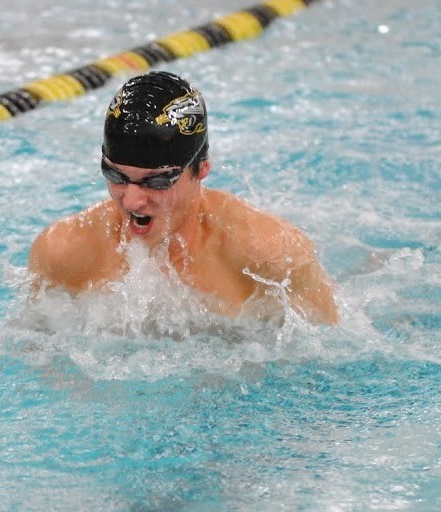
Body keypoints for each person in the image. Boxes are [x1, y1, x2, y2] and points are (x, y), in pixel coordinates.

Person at [27, 71, 338, 325]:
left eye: (157, 181)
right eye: (117, 177)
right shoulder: (63, 252)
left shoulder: (268, 255)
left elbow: (331, 360)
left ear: (201, 169)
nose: (132, 202)